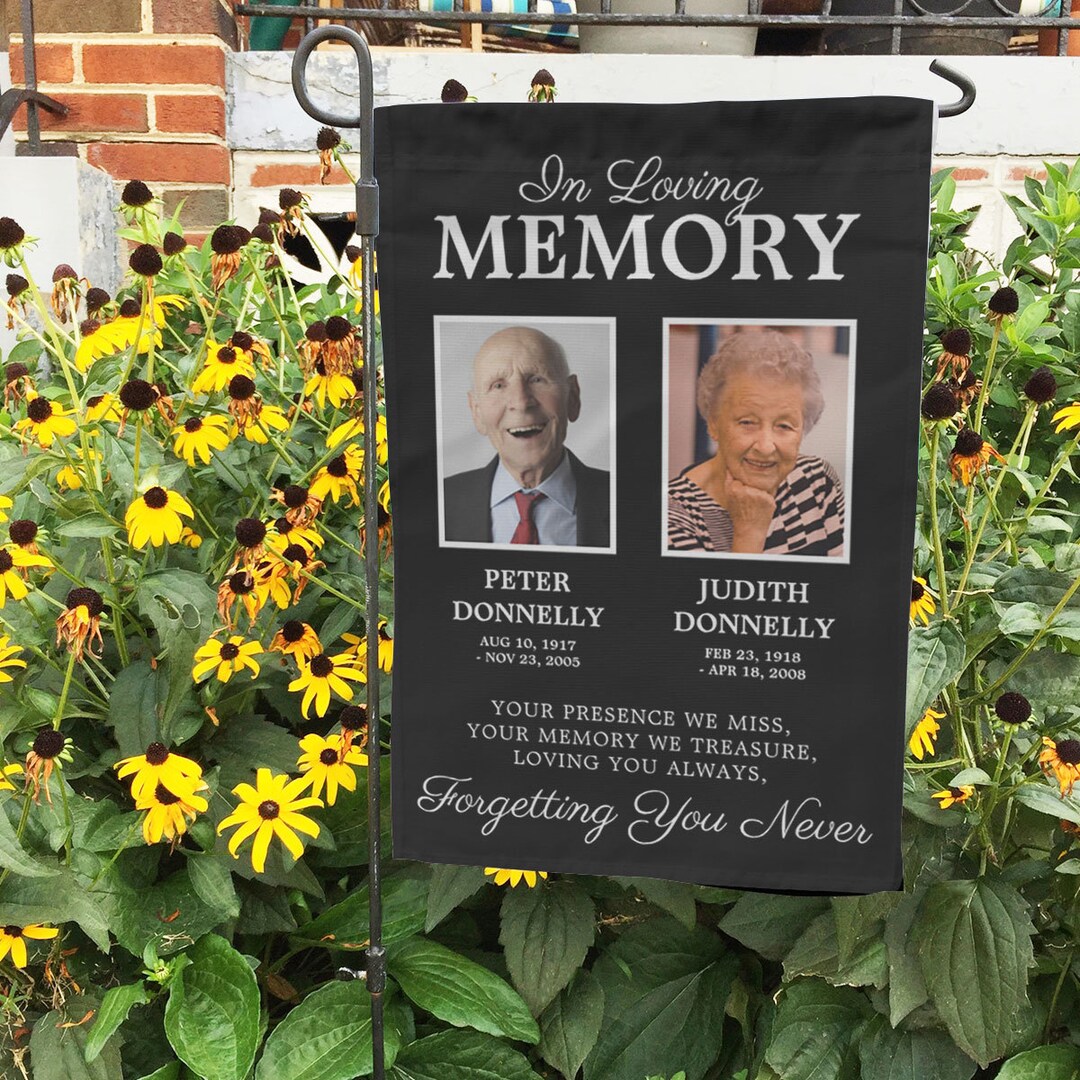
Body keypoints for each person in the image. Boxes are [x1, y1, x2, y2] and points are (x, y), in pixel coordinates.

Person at [667, 330, 845, 557]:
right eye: (747, 422)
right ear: (713, 423)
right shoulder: (674, 516)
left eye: (784, 426)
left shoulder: (817, 481)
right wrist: (749, 533)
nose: (765, 447)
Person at [444, 326, 610, 547]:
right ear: (476, 411)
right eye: (498, 385)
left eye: (537, 380)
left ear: (573, 397)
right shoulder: (438, 502)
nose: (521, 402)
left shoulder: (631, 501)